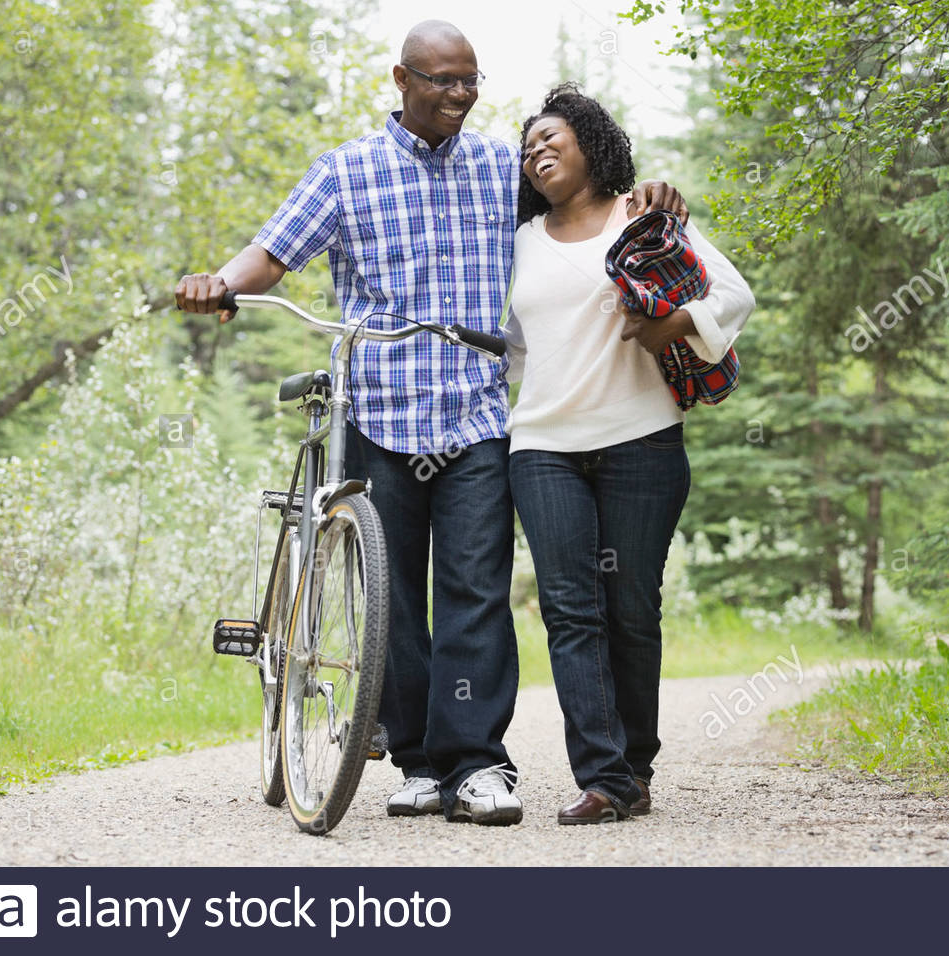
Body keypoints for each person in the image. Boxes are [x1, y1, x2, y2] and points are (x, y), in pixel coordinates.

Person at [175, 23, 687, 826]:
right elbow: (270, 254)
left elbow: (582, 196)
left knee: (476, 590)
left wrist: (647, 194)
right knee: (393, 595)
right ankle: (417, 761)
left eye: (470, 82)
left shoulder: (497, 167)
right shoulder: (345, 173)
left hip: (478, 414)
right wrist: (221, 283)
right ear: (401, 79)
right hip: (378, 411)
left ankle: (478, 762)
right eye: (442, 81)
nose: (459, 95)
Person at [504, 85, 754, 823]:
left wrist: (676, 322)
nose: (538, 152)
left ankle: (635, 764)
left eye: (552, 139)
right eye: (527, 149)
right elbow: (519, 348)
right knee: (570, 611)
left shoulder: (641, 215)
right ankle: (603, 778)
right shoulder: (518, 242)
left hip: (641, 442)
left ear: (591, 142)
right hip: (543, 445)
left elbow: (734, 294)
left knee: (631, 610)